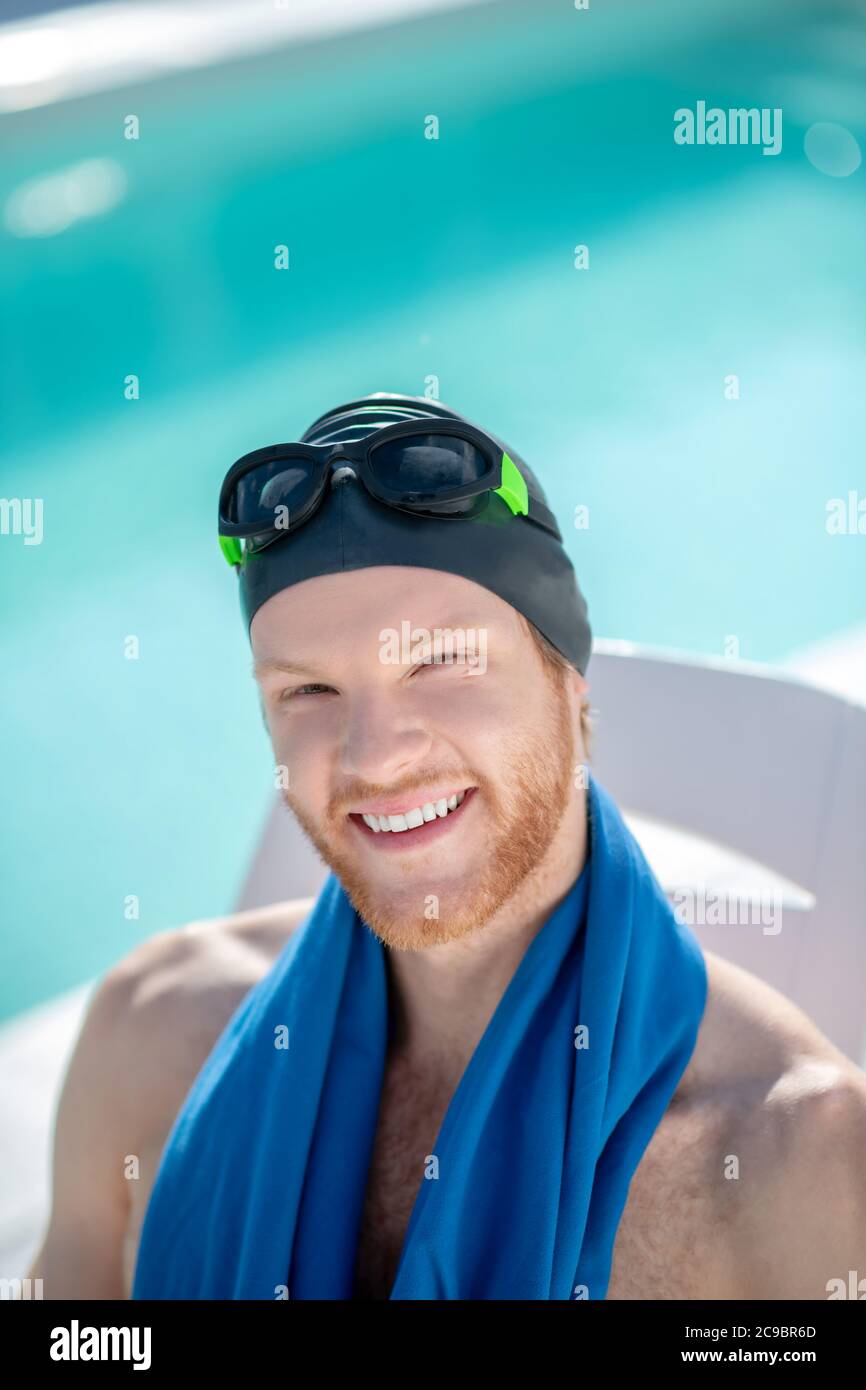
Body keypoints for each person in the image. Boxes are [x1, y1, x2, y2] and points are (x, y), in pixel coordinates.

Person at [27, 394, 866, 1300]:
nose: (375, 757)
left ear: (570, 689)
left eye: (439, 662)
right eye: (308, 691)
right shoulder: (145, 1038)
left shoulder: (794, 1168)